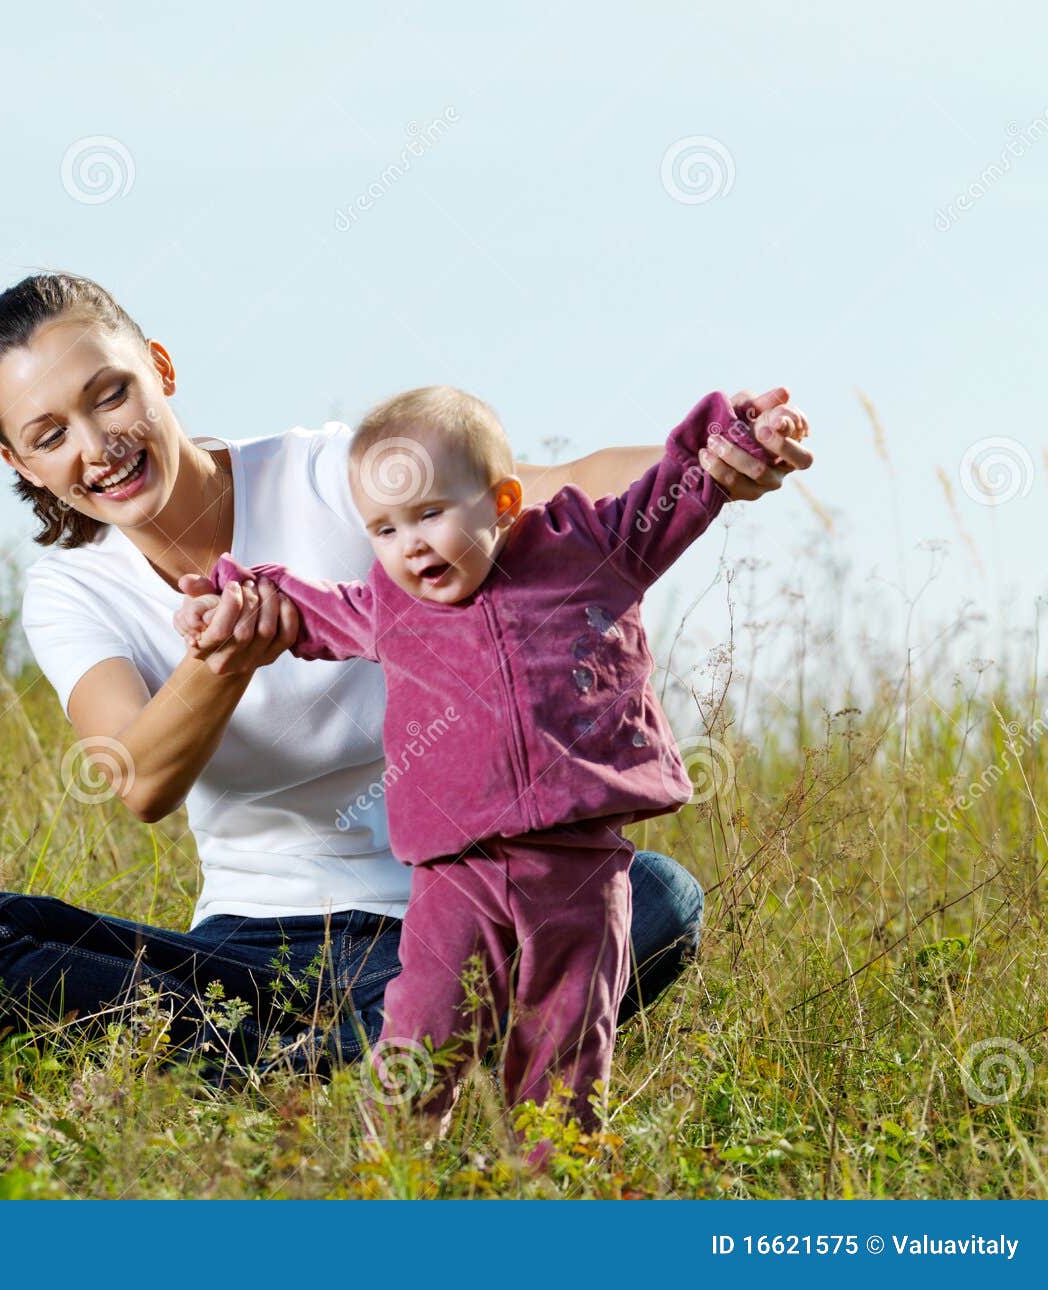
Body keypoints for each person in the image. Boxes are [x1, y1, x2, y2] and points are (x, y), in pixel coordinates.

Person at [0, 272, 815, 1078]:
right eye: (49, 434)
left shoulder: (333, 473)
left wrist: (711, 459)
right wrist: (224, 662)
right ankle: (363, 1054)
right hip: (242, 957)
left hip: (456, 915)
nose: (96, 445)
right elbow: (138, 779)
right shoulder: (70, 589)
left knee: (655, 895)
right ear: (22, 464)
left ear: (161, 372)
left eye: (111, 395)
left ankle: (345, 1053)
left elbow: (555, 483)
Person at [180, 384, 795, 1139]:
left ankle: (551, 1178)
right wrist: (230, 599)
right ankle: (393, 1166)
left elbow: (670, 496)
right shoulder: (390, 605)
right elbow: (302, 609)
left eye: (430, 513)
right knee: (423, 1025)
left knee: (570, 1035)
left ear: (502, 501)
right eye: (384, 528)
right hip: (453, 872)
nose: (410, 543)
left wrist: (735, 441)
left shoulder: (589, 550)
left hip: (579, 864)